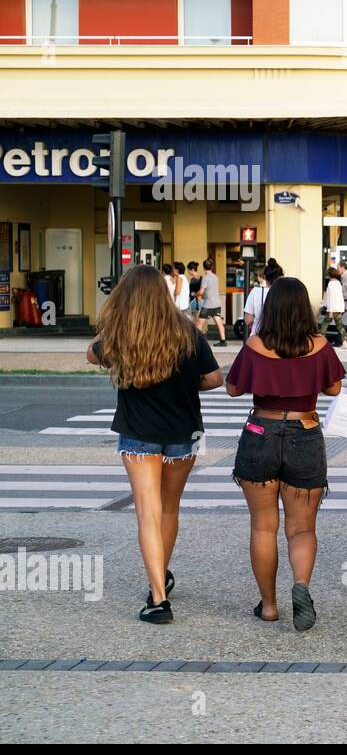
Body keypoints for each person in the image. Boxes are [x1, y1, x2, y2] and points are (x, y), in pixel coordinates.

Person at [84, 265, 224, 623]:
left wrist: (113, 322)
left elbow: (91, 353)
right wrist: (185, 384)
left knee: (147, 512)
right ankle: (160, 574)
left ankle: (159, 598)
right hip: (184, 433)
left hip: (138, 435)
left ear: (125, 297)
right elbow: (214, 378)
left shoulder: (119, 334)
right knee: (169, 509)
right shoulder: (187, 332)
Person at [225, 277, 345, 631]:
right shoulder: (320, 345)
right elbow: (334, 387)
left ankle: (270, 606)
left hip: (261, 431)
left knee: (264, 527)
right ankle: (301, 586)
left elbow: (233, 388)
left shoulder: (255, 345)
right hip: (304, 433)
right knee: (302, 528)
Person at [243, 258, 283, 338]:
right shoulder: (286, 293)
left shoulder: (256, 292)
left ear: (265, 277)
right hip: (281, 339)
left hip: (258, 339)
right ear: (281, 276)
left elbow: (248, 320)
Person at [198, 258, 227, 346]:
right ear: (212, 267)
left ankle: (196, 340)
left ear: (203, 268)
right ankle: (223, 340)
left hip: (208, 304)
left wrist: (195, 294)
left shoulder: (205, 278)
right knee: (219, 322)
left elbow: (201, 292)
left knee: (200, 322)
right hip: (217, 303)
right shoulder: (215, 277)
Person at [322, 267, 346, 347]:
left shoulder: (330, 284)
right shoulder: (338, 283)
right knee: (340, 326)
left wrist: (330, 311)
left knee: (324, 325)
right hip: (339, 308)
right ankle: (344, 342)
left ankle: (321, 342)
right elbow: (340, 296)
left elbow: (330, 297)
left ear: (329, 275)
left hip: (332, 308)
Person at [186, 261, 203, 328]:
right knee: (198, 320)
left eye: (188, 270)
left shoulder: (193, 279)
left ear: (192, 270)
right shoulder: (201, 277)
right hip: (200, 300)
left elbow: (192, 292)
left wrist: (193, 294)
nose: (188, 272)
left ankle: (197, 335)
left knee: (195, 320)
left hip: (195, 301)